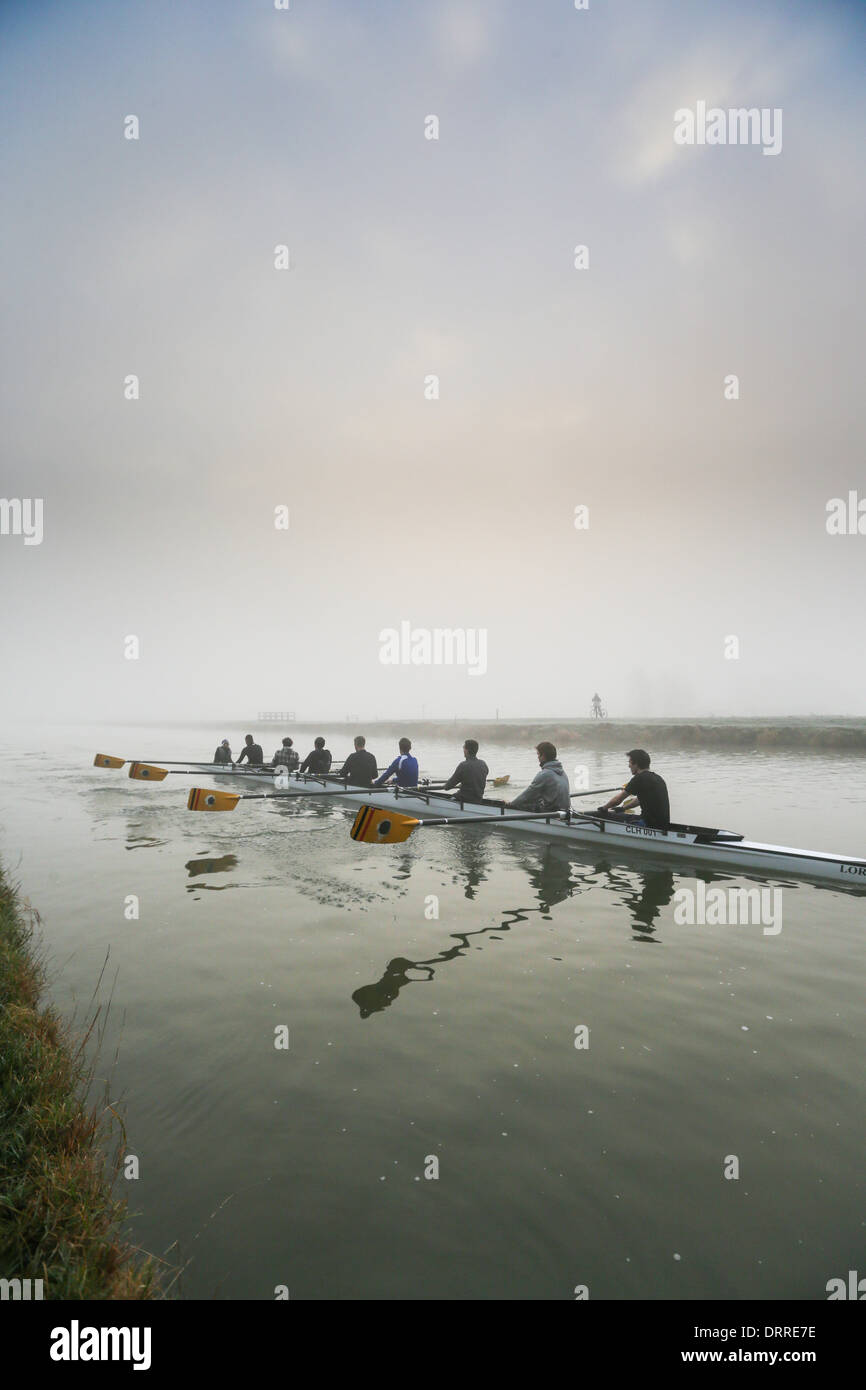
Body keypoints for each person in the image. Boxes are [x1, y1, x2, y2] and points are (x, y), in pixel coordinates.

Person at [597, 750, 670, 830]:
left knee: (605, 816)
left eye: (630, 763)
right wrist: (623, 808)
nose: (629, 766)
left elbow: (618, 800)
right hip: (663, 825)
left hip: (647, 824)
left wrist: (604, 808)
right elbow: (640, 800)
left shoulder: (639, 778)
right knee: (623, 815)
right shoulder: (658, 778)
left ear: (636, 764)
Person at [508, 742, 571, 812]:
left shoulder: (545, 774)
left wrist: (510, 805)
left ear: (543, 755)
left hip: (552, 813)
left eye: (538, 754)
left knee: (522, 803)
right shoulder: (563, 773)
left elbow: (527, 795)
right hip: (565, 811)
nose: (537, 757)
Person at [444, 739, 489, 803]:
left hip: (464, 800)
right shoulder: (483, 764)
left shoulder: (463, 765)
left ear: (466, 750)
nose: (463, 750)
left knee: (451, 797)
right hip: (478, 800)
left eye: (464, 748)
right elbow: (475, 779)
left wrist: (445, 785)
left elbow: (447, 787)